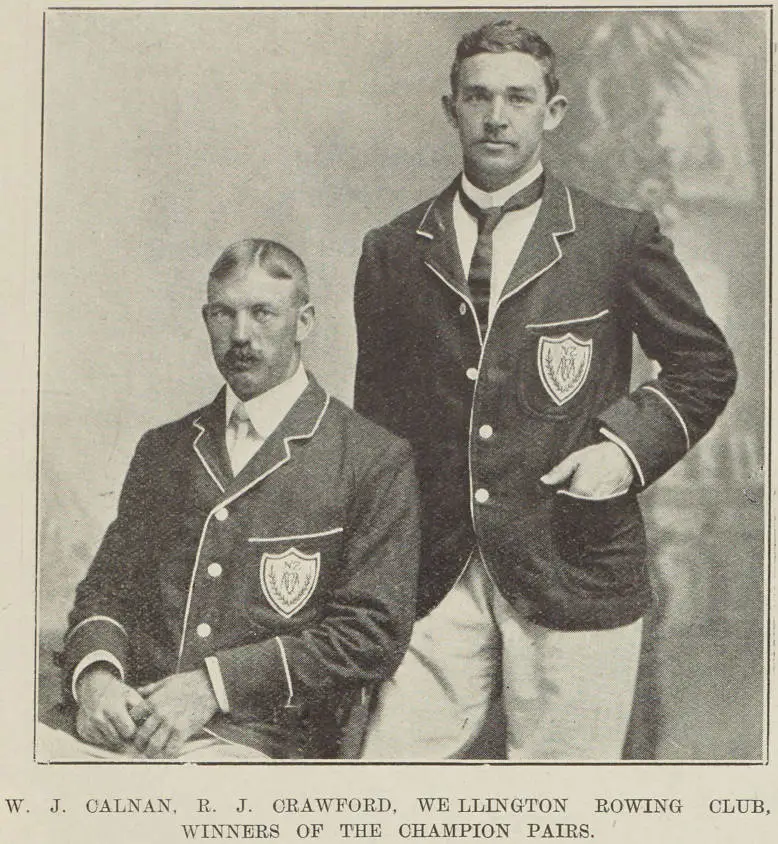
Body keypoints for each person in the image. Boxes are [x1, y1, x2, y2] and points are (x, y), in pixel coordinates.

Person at [353, 20, 736, 759]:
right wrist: (377, 564)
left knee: (566, 796)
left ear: (552, 112)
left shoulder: (615, 237)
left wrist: (623, 453)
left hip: (572, 560)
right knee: (389, 774)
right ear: (450, 108)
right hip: (436, 572)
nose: (497, 116)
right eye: (479, 97)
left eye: (519, 98)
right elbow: (379, 426)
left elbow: (703, 365)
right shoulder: (393, 250)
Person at [40, 238, 419, 761]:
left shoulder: (372, 459)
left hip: (257, 744)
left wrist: (213, 687)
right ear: (206, 318)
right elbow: (107, 589)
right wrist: (97, 679)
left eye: (263, 313)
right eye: (224, 313)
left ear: (304, 322)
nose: (240, 335)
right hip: (126, 729)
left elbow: (370, 634)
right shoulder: (163, 449)